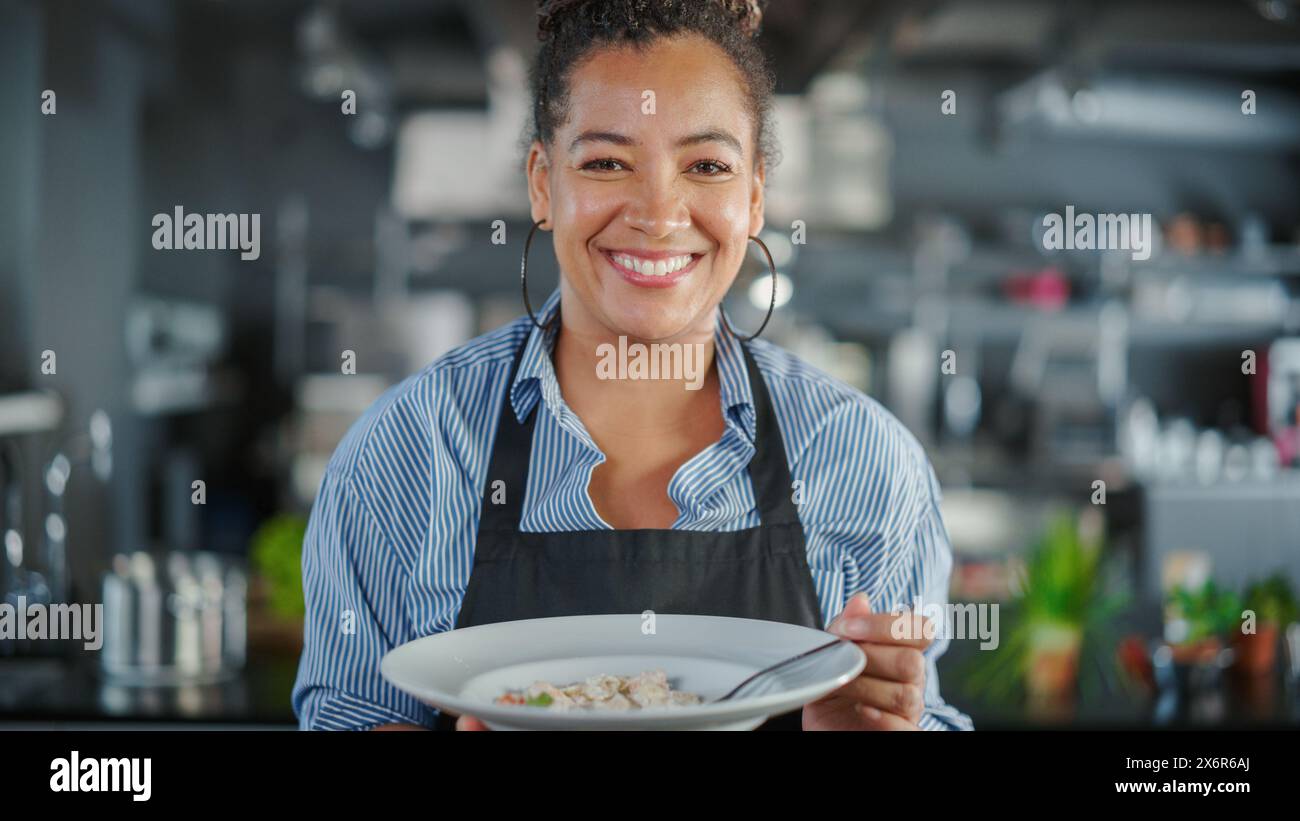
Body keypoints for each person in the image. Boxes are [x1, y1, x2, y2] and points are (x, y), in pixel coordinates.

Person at [292, 0, 973, 731]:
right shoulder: (407, 452)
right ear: (542, 184)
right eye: (607, 162)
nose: (659, 212)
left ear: (753, 197)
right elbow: (349, 716)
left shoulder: (866, 461)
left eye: (707, 165)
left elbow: (923, 715)